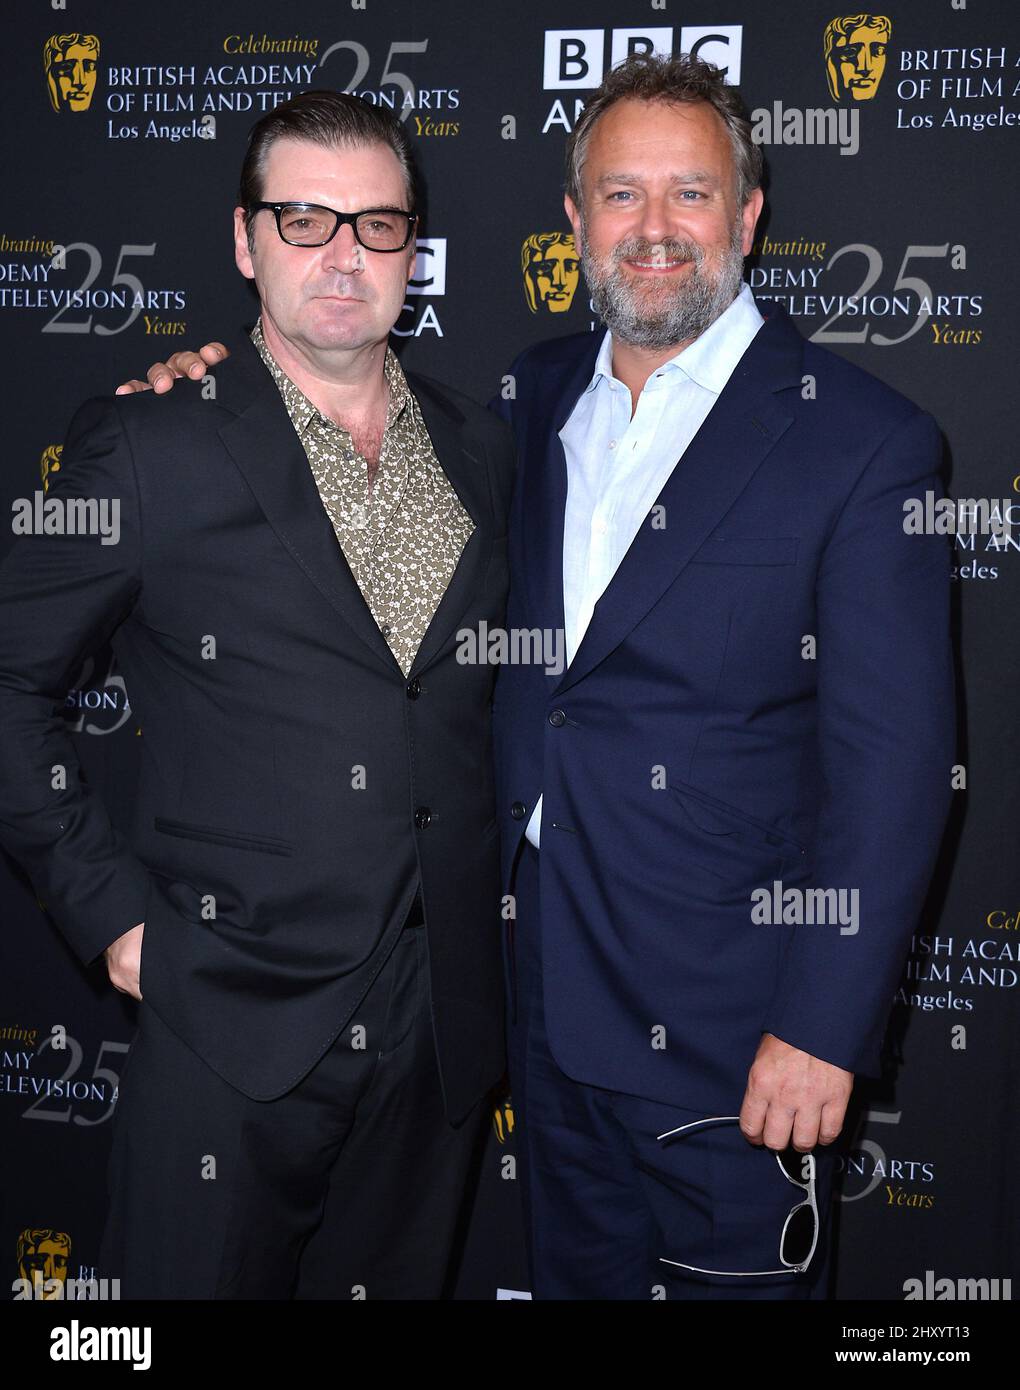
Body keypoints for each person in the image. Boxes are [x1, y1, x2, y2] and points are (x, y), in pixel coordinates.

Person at [121, 53, 955, 1302]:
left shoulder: (865, 441)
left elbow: (897, 765)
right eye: (621, 194)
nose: (656, 229)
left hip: (738, 1041)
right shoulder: (522, 399)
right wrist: (200, 383)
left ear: (748, 214)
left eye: (691, 192)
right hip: (531, 1018)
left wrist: (826, 1026)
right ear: (573, 222)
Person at [0, 90, 514, 1299]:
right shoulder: (153, 443)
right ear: (245, 242)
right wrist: (115, 921)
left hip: (436, 1029)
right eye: (304, 219)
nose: (344, 254)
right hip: (227, 1011)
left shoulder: (483, 447)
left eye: (378, 224)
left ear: (416, 250)